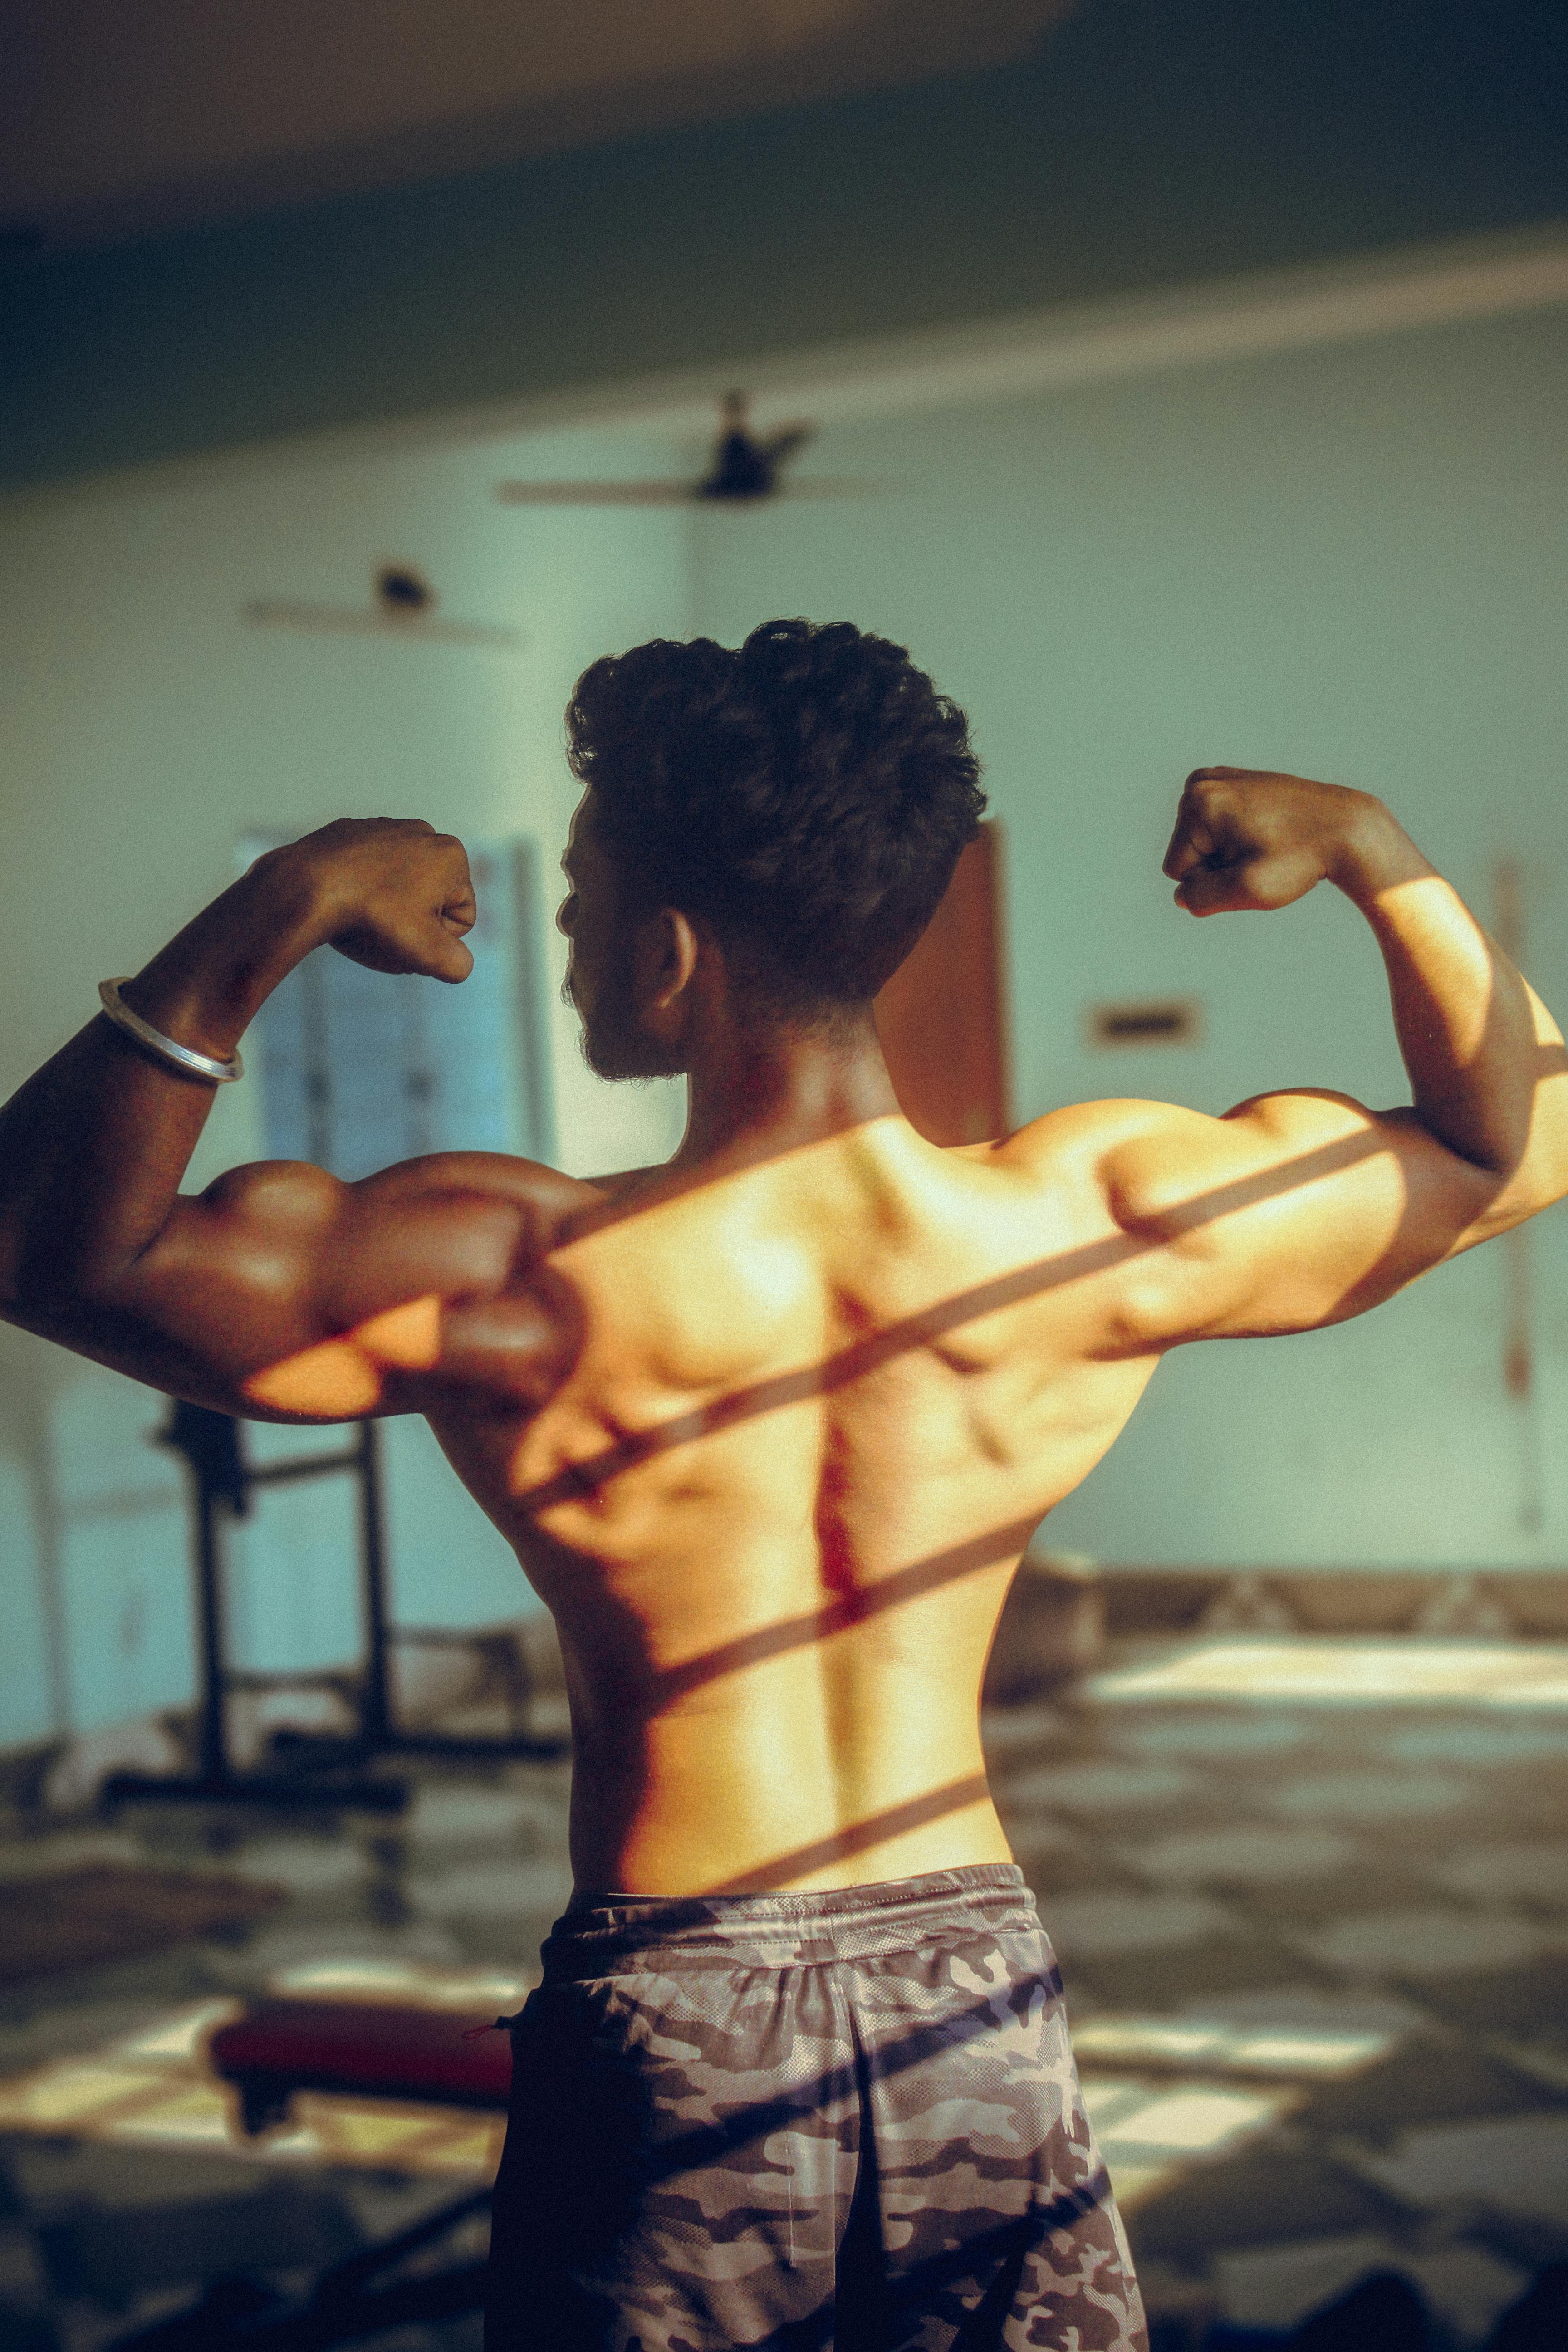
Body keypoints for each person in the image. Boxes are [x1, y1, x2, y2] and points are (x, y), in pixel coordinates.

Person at [1, 619, 1564, 2351]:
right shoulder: (1090, 1224)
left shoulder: (507, 1273)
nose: (563, 936)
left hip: (677, 2010)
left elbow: (48, 1248)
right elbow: (1520, 1141)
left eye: (581, 899)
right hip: (966, 1991)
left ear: (672, 954)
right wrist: (1369, 849)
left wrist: (276, 906)